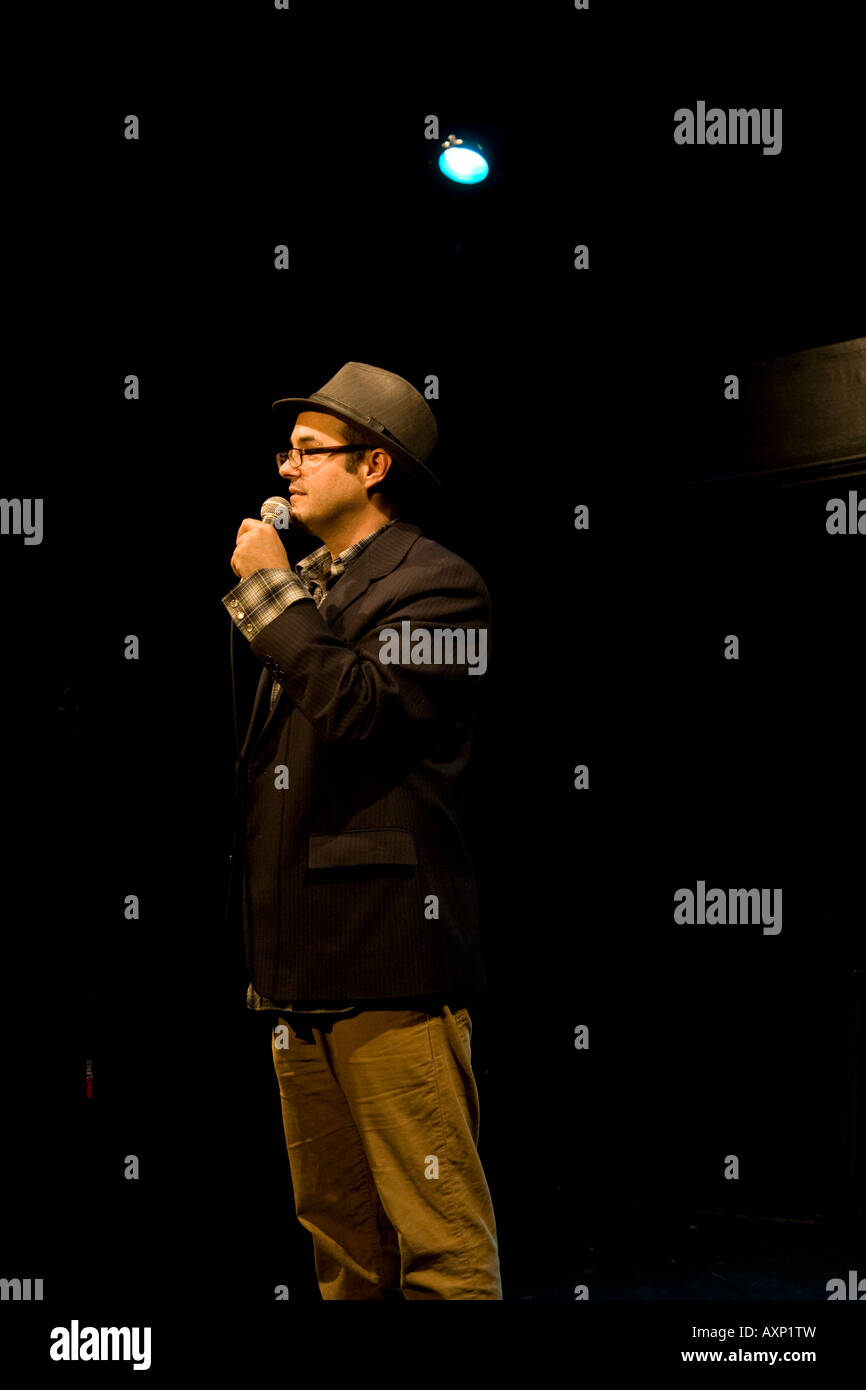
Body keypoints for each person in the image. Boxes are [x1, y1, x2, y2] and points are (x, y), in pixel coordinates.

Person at [222, 362, 502, 1300]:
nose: (287, 469)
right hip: (296, 963)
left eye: (310, 451)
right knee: (340, 1244)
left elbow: (364, 710)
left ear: (373, 464)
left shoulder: (442, 587)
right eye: (287, 452)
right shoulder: (304, 588)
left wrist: (275, 599)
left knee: (439, 1243)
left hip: (389, 957)